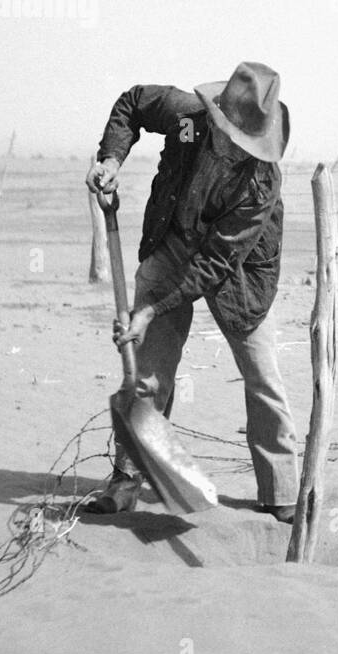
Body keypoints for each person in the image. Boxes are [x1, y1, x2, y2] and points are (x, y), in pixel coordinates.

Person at [83, 61, 299, 521]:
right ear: (214, 115)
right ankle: (126, 478)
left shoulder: (262, 182)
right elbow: (134, 102)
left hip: (239, 270)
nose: (230, 146)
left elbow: (217, 261)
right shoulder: (185, 117)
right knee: (147, 374)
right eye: (225, 132)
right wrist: (110, 160)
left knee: (263, 378)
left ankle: (281, 494)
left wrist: (150, 309)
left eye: (243, 141)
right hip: (172, 242)